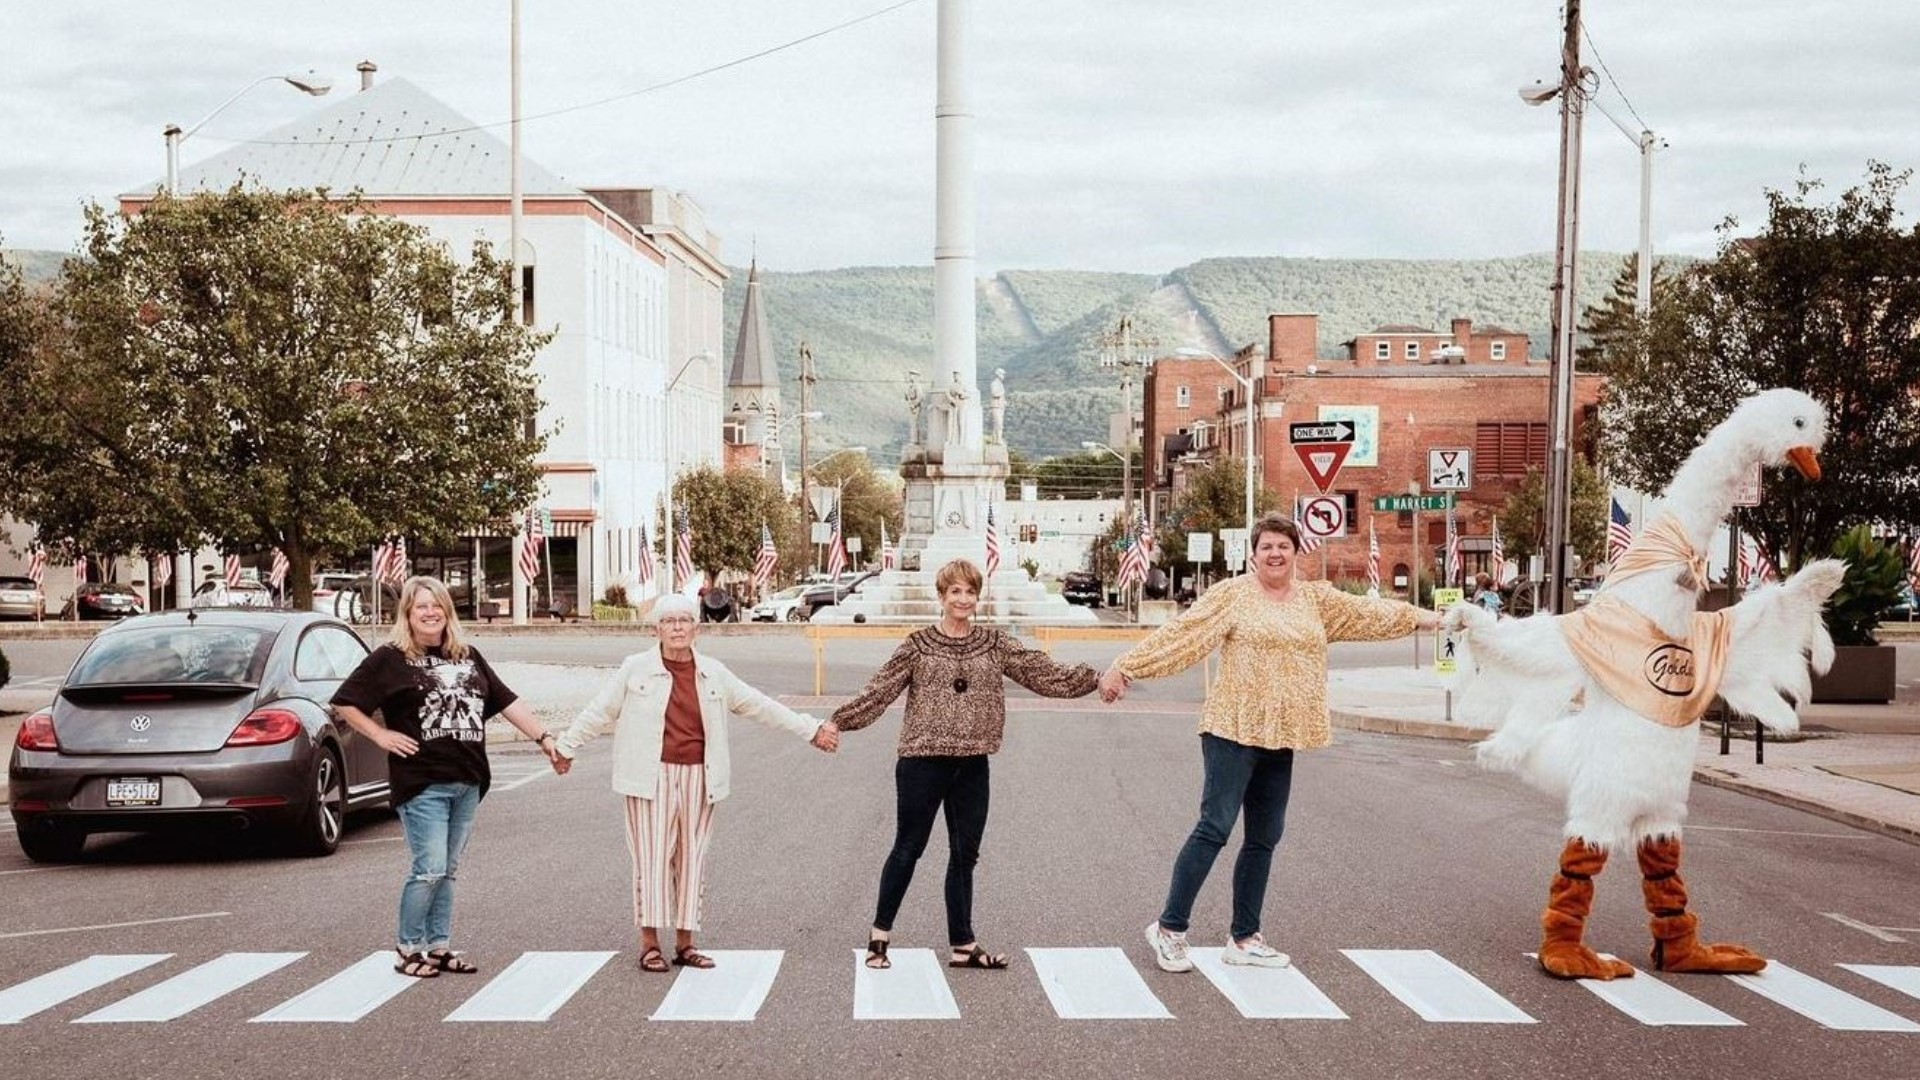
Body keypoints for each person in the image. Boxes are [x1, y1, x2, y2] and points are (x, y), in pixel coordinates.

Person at [1100, 515, 1443, 974]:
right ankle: (1169, 928)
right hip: (1232, 729)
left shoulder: (1316, 600)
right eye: (1267, 547)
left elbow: (1373, 613)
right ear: (1254, 554)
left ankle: (1244, 937)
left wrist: (1435, 619)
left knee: (1264, 837)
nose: (1276, 554)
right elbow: (1183, 635)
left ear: (1296, 552)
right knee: (1214, 828)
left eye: (1283, 546)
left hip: (1282, 734)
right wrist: (1127, 667)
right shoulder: (1233, 595)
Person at [827, 559, 1099, 972]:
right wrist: (838, 721)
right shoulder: (917, 645)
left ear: (977, 597)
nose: (963, 599)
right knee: (908, 849)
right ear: (942, 596)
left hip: (973, 762)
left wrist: (1097, 679)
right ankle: (879, 937)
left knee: (965, 855)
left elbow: (1043, 672)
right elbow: (878, 691)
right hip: (922, 761)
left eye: (970, 592)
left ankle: (963, 945)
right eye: (955, 591)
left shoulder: (994, 644)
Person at [549, 594, 838, 972]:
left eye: (684, 621)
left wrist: (810, 729)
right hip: (649, 777)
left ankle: (686, 944)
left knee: (692, 861)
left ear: (696, 629)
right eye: (669, 622)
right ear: (657, 629)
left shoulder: (714, 672)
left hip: (701, 778)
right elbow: (600, 710)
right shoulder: (635, 669)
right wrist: (567, 745)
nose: (677, 628)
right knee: (651, 860)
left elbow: (759, 704)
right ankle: (649, 943)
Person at [333, 575, 562, 979]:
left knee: (448, 869)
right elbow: (345, 703)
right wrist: (381, 735)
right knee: (429, 868)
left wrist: (545, 739)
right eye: (421, 606)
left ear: (447, 611)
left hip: (468, 778)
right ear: (407, 613)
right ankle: (408, 948)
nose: (430, 612)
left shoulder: (467, 656)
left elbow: (508, 702)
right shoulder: (391, 658)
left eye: (436, 605)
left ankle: (437, 947)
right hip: (422, 781)